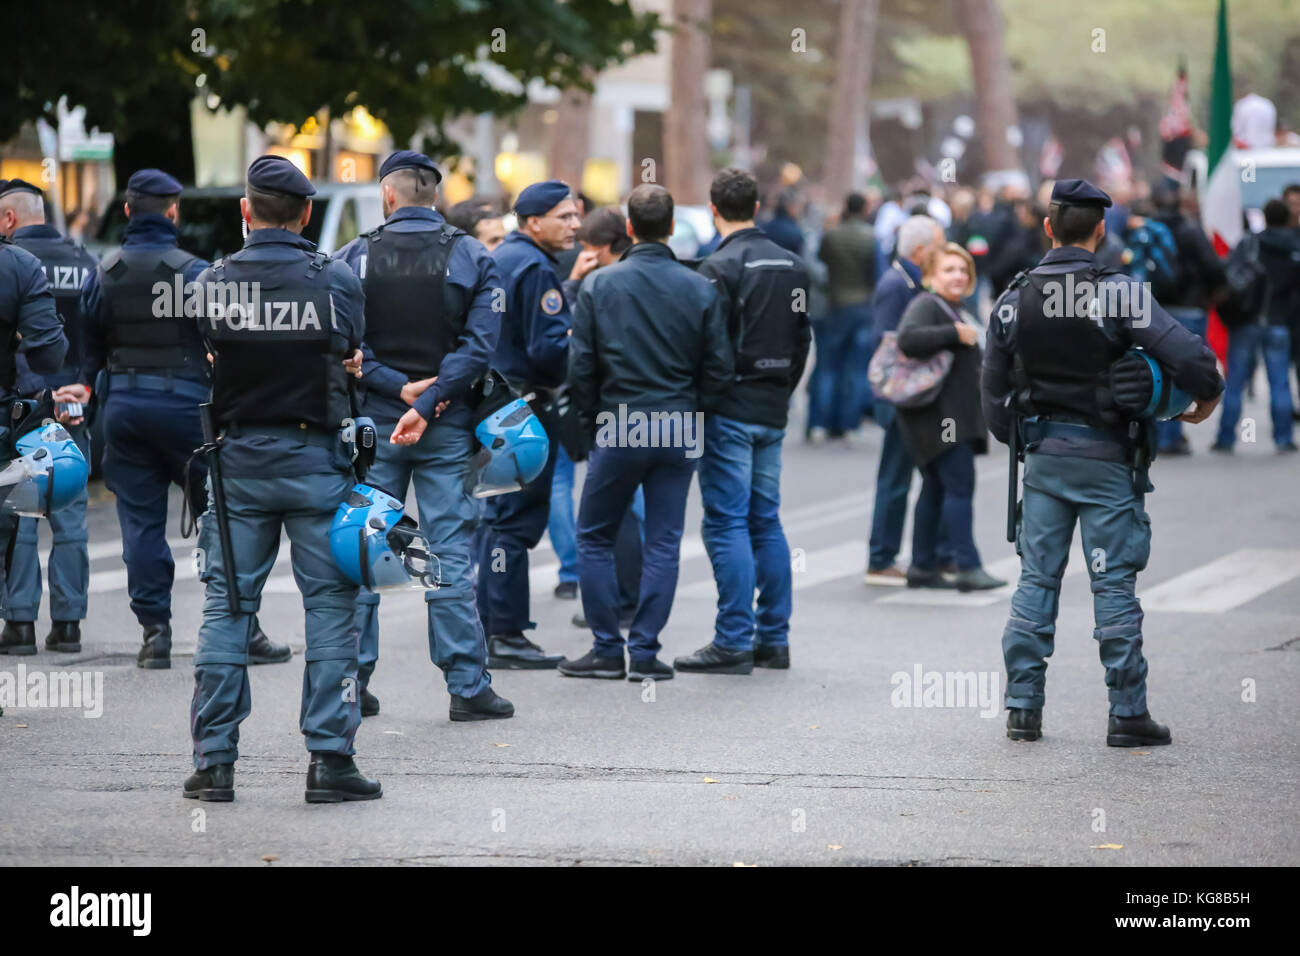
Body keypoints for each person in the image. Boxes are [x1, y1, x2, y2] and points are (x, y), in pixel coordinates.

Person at [983, 178, 1224, 747]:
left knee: (1036, 579)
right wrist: (1200, 401)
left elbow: (994, 403)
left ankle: (1022, 707)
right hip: (1108, 460)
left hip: (1043, 462)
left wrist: (1025, 437)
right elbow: (1194, 359)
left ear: (1048, 228)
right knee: (1112, 583)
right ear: (1101, 230)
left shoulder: (1014, 297)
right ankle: (1126, 713)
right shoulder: (1119, 294)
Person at [185, 155, 375, 803]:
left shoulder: (212, 282)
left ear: (245, 211)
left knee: (227, 608)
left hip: (235, 460)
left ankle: (214, 764)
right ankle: (330, 762)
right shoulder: (339, 279)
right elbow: (352, 353)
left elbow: (211, 353)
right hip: (316, 458)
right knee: (330, 608)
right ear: (307, 213)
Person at [82, 168, 288, 670]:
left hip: (124, 411)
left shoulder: (103, 272)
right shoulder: (198, 273)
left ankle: (155, 633)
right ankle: (243, 625)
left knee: (139, 523)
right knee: (222, 518)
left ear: (128, 211)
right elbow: (231, 343)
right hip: (188, 413)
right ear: (174, 211)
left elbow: (87, 354)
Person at [336, 150, 513, 723]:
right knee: (446, 552)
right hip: (447, 422)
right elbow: (478, 349)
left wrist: (398, 388)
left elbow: (347, 349)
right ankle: (466, 685)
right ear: (434, 195)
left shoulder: (353, 258)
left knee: (364, 548)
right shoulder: (471, 255)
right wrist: (432, 399)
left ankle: (352, 682)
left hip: (376, 424)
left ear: (389, 196)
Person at [560, 184, 732, 680]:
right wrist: (696, 411)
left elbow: (582, 367)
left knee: (594, 535)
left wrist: (593, 423)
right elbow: (719, 369)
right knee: (663, 540)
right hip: (678, 423)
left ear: (629, 228)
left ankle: (606, 648)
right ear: (672, 227)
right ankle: (646, 651)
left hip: (618, 421)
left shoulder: (600, 286)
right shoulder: (700, 286)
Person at [675, 167, 810, 674]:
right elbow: (802, 339)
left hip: (730, 408)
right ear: (756, 207)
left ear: (713, 209)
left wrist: (708, 401)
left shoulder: (717, 267)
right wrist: (782, 390)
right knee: (765, 519)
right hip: (771, 406)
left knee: (727, 521)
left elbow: (706, 347)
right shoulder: (793, 265)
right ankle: (773, 637)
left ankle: (733, 639)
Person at [477, 180, 580, 669]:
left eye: (577, 216)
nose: (575, 225)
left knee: (497, 520)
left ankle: (493, 627)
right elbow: (549, 352)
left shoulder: (501, 259)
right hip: (524, 406)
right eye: (565, 217)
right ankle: (506, 634)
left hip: (492, 403)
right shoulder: (536, 268)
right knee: (515, 524)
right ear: (534, 221)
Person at [0, 179, 94, 654]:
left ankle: (19, 624)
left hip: (21, 406)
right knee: (71, 517)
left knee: (19, 516)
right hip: (71, 408)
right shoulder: (84, 261)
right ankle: (69, 623)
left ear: (10, 218)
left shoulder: (13, 265)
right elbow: (98, 335)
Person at [895, 243, 1004, 591]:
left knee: (935, 488)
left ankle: (923, 566)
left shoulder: (954, 306)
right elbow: (908, 339)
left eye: (962, 270)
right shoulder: (928, 304)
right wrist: (953, 334)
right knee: (959, 486)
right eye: (948, 270)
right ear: (929, 276)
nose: (957, 276)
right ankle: (967, 566)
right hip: (943, 419)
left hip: (949, 415)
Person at [551, 207, 634, 603]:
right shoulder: (683, 279)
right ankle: (634, 592)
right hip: (659, 413)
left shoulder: (587, 279)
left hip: (595, 403)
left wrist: (582, 408)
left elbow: (573, 350)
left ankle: (577, 577)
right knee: (637, 505)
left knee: (573, 493)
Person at [864, 215, 946, 585]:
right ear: (918, 250)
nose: (942, 252)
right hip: (899, 396)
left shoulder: (910, 280)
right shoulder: (896, 285)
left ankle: (928, 553)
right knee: (895, 478)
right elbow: (889, 344)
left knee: (918, 475)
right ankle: (881, 556)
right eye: (938, 246)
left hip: (908, 396)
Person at [1212, 199, 1299, 453]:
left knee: (1236, 380)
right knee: (1280, 381)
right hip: (1279, 321)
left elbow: (1229, 272)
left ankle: (1226, 437)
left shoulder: (1251, 243)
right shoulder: (1294, 245)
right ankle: (1283, 437)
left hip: (1247, 320)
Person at [1149, 183, 1227, 455]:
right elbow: (1213, 266)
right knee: (1183, 368)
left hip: (1153, 308)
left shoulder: (1147, 230)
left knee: (1157, 371)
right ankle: (1173, 432)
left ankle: (1157, 434)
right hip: (1191, 307)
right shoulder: (1191, 231)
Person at [808, 192, 874, 441]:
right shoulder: (870, 238)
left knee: (828, 367)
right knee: (856, 369)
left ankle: (820, 424)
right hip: (862, 306)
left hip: (836, 305)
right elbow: (874, 273)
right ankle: (850, 425)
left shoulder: (832, 236)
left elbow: (823, 263)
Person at [761, 189, 805, 255]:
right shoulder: (795, 232)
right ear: (790, 207)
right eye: (798, 206)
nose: (799, 210)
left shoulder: (764, 227)